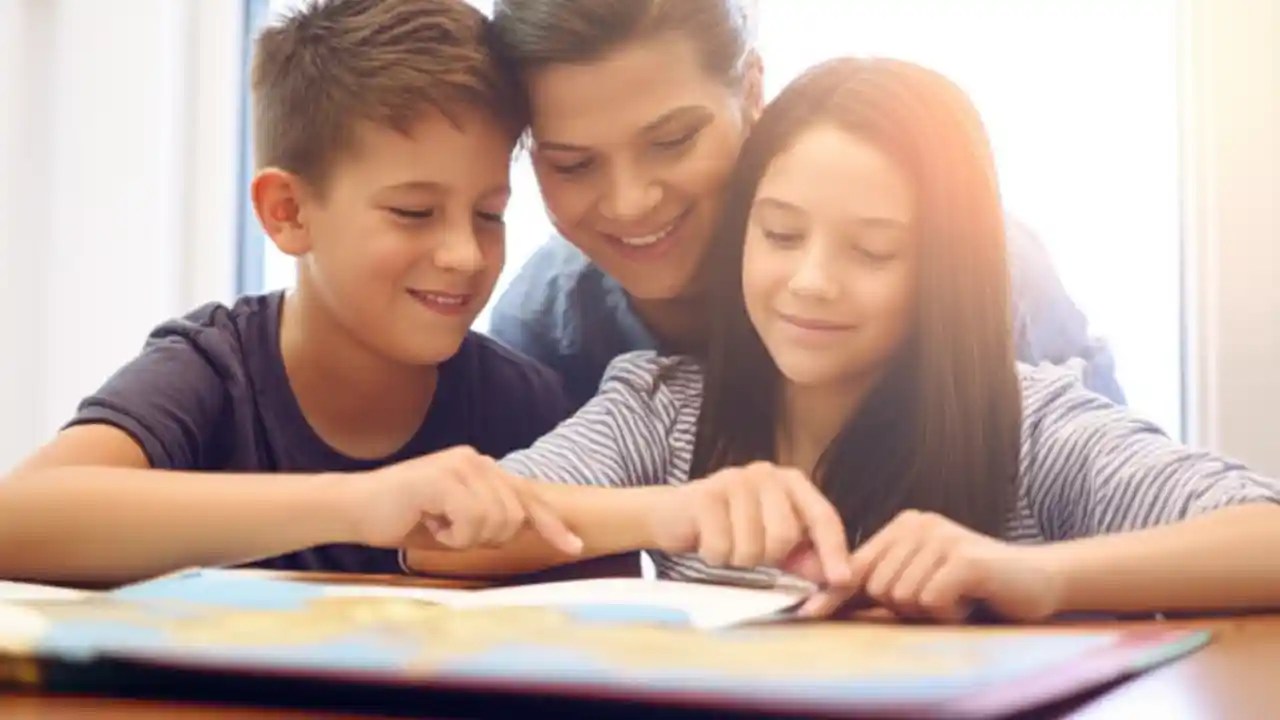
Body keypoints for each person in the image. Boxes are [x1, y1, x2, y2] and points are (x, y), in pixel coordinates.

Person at [412, 57, 1280, 623]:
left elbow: (1264, 535)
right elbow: (438, 533)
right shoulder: (662, 406)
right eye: (781, 235)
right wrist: (669, 512)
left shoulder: (1030, 421)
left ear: (944, 265)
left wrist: (1044, 577)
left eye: (872, 250)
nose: (812, 281)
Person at [0, 0, 582, 585]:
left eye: (489, 214)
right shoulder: (214, 370)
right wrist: (358, 504)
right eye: (414, 212)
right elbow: (16, 521)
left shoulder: (525, 405)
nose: (466, 254)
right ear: (289, 212)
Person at [486, 0, 1125, 410]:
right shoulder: (547, 324)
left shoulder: (979, 262)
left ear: (752, 91)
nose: (630, 203)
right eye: (572, 164)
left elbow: (1140, 514)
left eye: (673, 141)